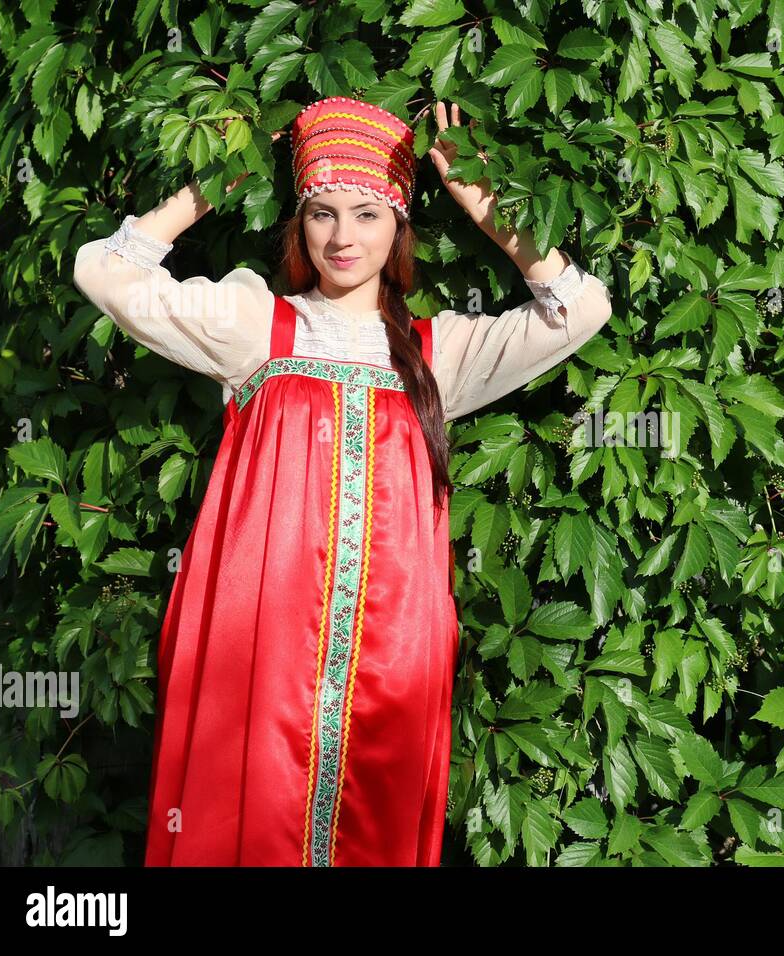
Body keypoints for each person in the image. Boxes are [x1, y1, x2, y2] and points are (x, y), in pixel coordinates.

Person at [71, 97, 613, 865]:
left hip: (396, 654)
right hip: (259, 644)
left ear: (399, 225)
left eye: (366, 213)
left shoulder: (437, 352)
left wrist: (489, 212)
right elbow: (102, 269)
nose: (343, 236)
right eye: (322, 213)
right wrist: (207, 188)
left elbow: (581, 308)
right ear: (300, 223)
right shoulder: (254, 325)